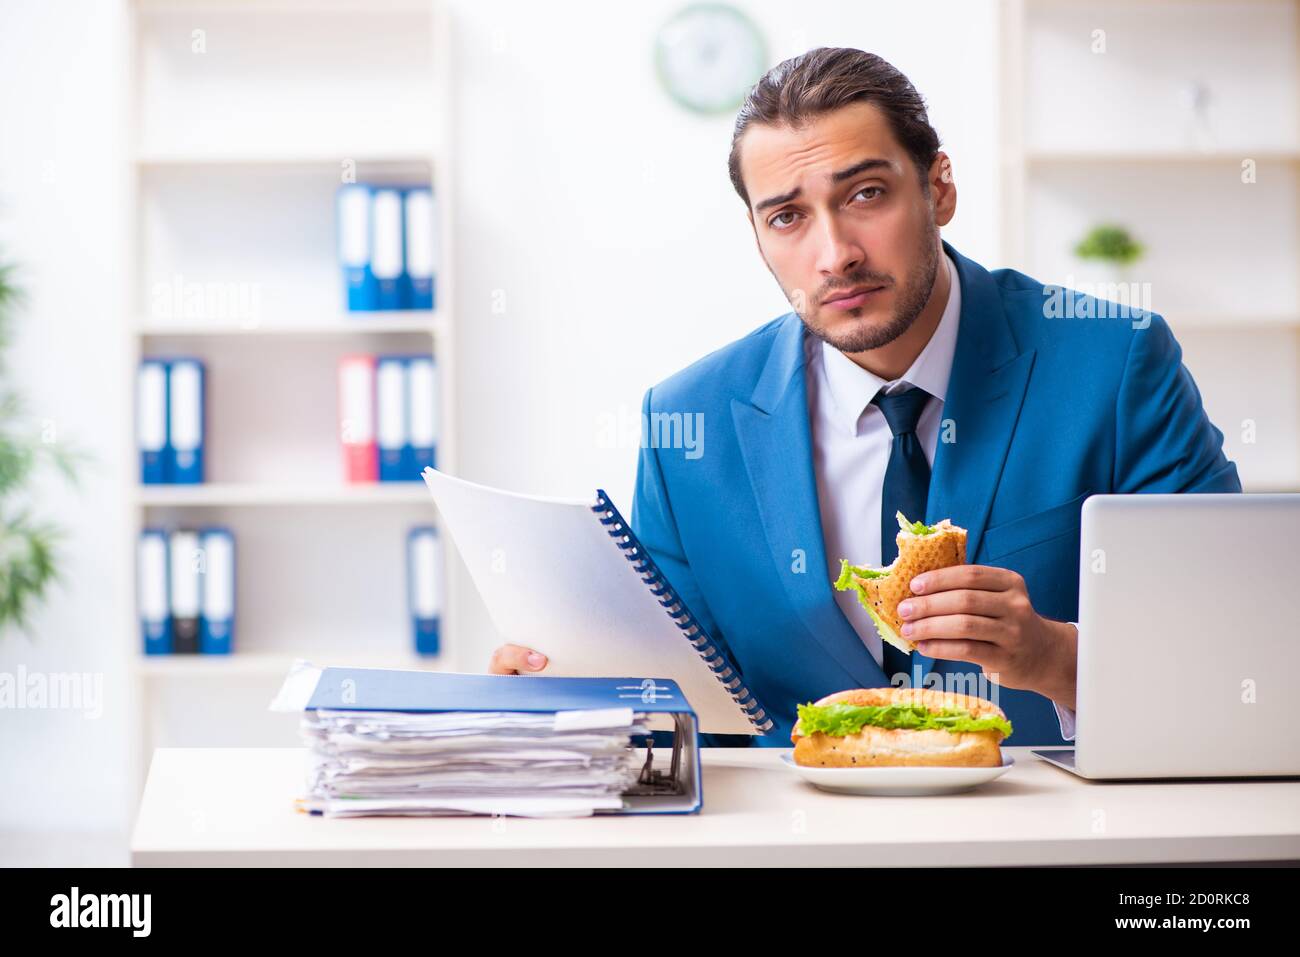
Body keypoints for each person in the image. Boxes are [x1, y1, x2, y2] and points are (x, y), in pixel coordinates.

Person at [489, 48, 1240, 747]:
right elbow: (686, 717)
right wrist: (580, 708)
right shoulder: (689, 422)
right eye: (787, 216)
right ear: (756, 234)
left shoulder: (1115, 365)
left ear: (939, 187)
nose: (835, 253)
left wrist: (1058, 657)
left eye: (867, 194)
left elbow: (1232, 654)